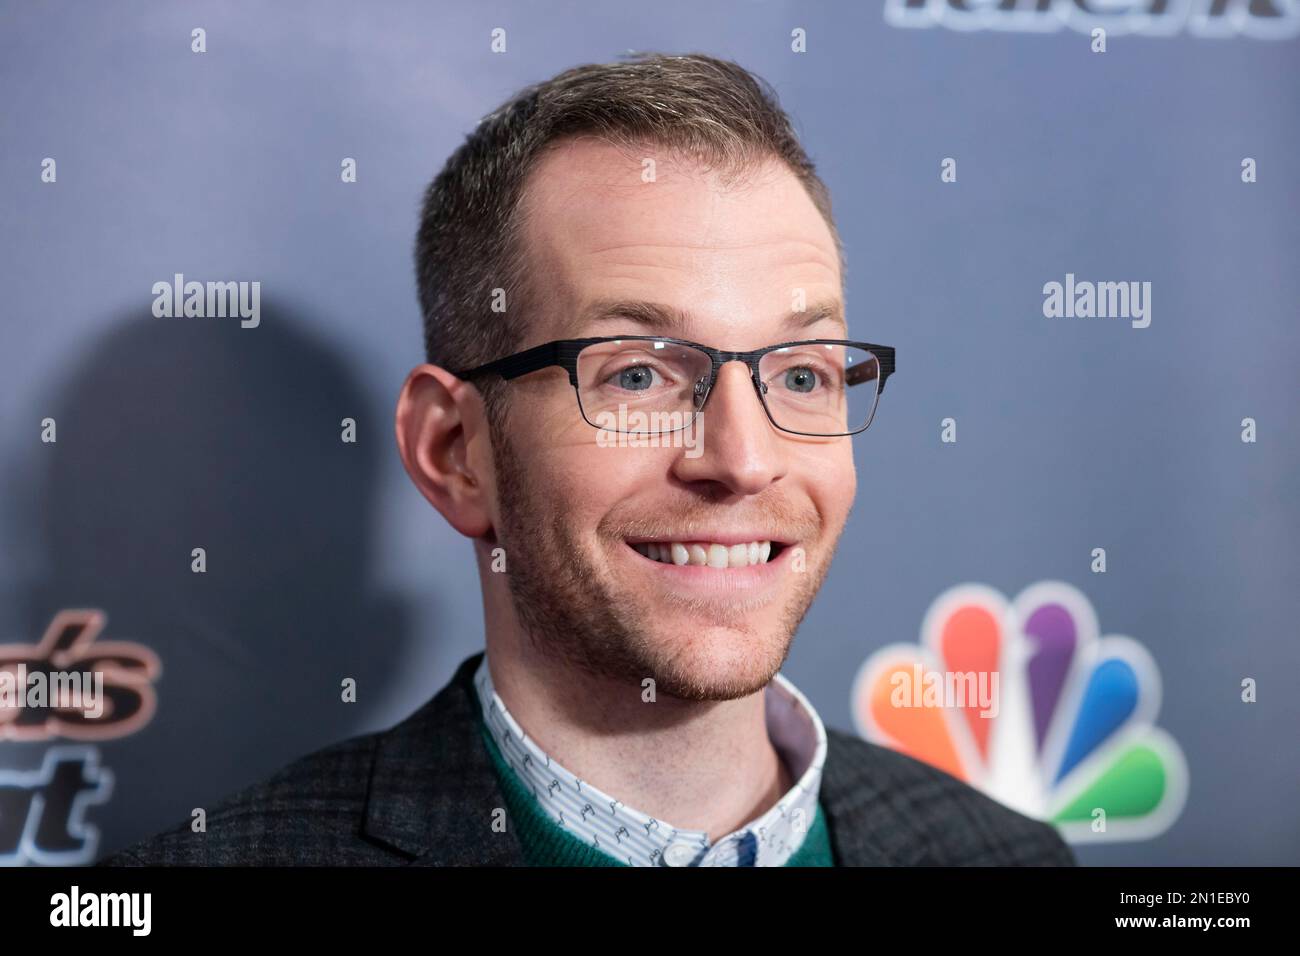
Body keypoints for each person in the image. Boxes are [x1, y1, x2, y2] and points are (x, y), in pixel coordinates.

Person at [101, 52, 1075, 867]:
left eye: (801, 373)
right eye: (640, 377)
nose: (741, 460)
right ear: (454, 451)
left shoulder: (1002, 856)